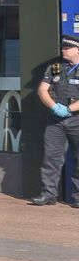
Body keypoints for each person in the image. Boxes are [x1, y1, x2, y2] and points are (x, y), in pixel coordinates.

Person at [33, 34, 79, 206]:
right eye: (62, 48)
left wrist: (69, 109)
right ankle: (48, 195)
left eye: (67, 48)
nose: (63, 50)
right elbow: (42, 90)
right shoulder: (55, 68)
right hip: (56, 121)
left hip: (77, 119)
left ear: (78, 50)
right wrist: (54, 107)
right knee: (51, 158)